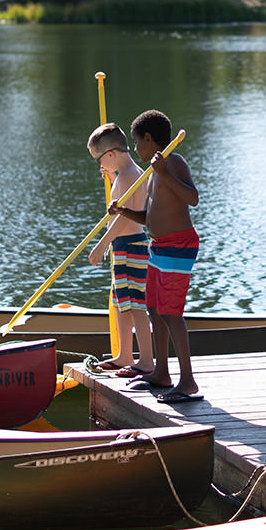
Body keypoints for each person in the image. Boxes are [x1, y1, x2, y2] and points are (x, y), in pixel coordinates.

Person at [108, 109, 202, 403]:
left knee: (171, 312)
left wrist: (164, 174)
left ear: (149, 139)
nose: (136, 149)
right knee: (153, 308)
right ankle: (161, 372)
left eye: (137, 142)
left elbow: (192, 198)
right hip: (158, 246)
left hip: (178, 246)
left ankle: (187, 381)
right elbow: (149, 217)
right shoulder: (152, 171)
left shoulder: (172, 162)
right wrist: (123, 211)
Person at [85, 122, 154, 377]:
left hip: (130, 247)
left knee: (136, 304)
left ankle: (146, 360)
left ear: (111, 154)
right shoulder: (126, 174)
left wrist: (101, 245)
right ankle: (125, 354)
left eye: (100, 159)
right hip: (124, 246)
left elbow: (124, 219)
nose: (100, 164)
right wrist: (112, 177)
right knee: (120, 302)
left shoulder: (128, 177)